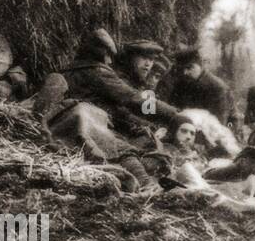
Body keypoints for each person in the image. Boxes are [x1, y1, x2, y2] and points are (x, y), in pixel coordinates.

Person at [48, 28, 179, 189]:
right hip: (90, 124)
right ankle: (146, 185)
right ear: (99, 53)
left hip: (72, 126)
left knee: (145, 152)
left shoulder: (68, 69)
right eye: (144, 58)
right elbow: (133, 99)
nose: (148, 64)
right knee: (122, 150)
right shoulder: (98, 72)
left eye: (151, 60)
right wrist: (173, 114)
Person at [166, 47, 238, 129]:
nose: (185, 72)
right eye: (182, 69)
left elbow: (218, 125)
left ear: (201, 66)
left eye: (189, 67)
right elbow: (173, 110)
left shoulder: (217, 88)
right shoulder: (182, 83)